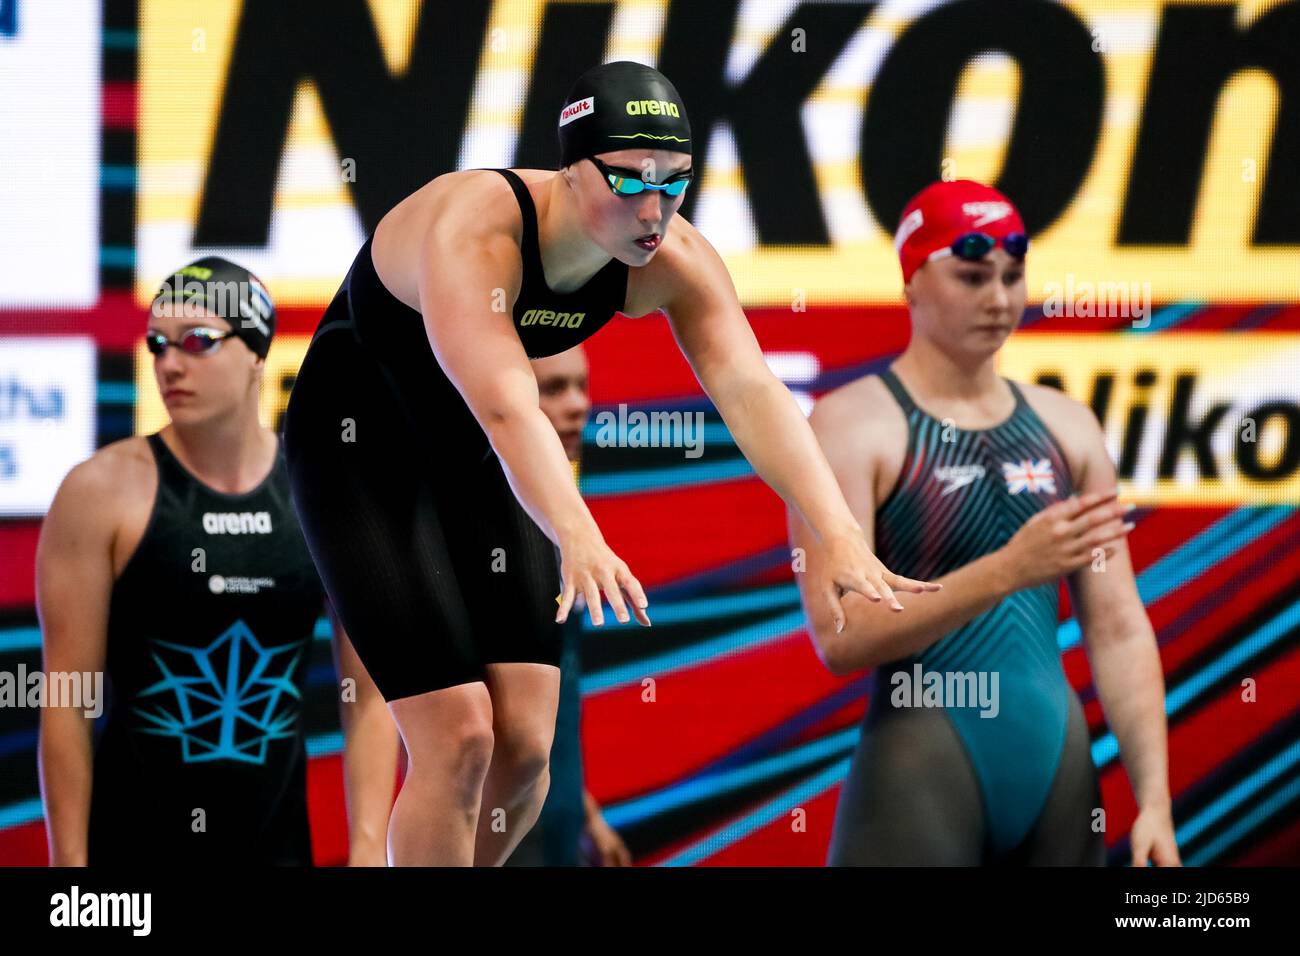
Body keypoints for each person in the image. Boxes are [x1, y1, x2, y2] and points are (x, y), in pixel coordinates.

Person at [281, 60, 938, 867]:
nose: (654, 209)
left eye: (675, 183)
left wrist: (838, 530)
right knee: (458, 736)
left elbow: (749, 387)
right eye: (630, 182)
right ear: (571, 165)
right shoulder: (477, 230)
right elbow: (508, 406)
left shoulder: (670, 257)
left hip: (473, 451)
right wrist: (578, 531)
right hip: (360, 452)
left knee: (526, 748)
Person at [790, 180, 1180, 866]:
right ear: (912, 280)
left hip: (1057, 770)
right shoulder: (851, 426)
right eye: (971, 277)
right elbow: (840, 634)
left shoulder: (1068, 427)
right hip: (920, 770)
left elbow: (1116, 623)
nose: (999, 299)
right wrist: (1007, 570)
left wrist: (1154, 799)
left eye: (1011, 275)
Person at [36, 257, 398, 866]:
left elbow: (367, 692)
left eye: (198, 341)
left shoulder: (323, 490)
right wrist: (70, 875)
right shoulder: (99, 492)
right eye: (158, 344)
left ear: (258, 351)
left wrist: (367, 850)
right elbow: (67, 700)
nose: (169, 364)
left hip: (277, 851)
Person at [505, 345, 632, 867]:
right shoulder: (477, 529)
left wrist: (584, 811)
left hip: (557, 822)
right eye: (554, 389)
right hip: (502, 829)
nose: (579, 405)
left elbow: (546, 706)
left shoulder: (565, 523)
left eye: (582, 385)